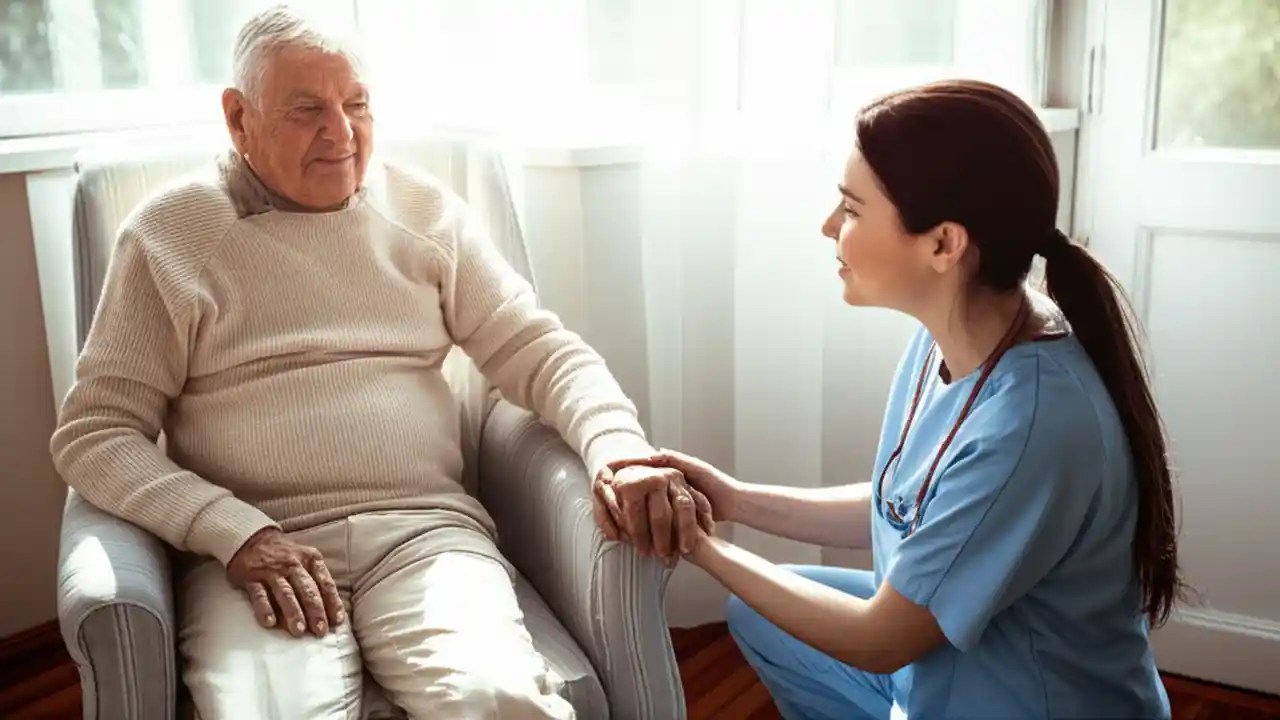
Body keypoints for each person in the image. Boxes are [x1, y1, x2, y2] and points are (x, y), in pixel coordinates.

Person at [50, 5, 702, 719]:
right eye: (307, 112)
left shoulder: (423, 213)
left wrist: (621, 449)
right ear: (239, 119)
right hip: (256, 556)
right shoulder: (168, 235)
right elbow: (96, 434)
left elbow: (541, 350)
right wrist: (233, 532)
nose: (341, 134)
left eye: (356, 105)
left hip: (426, 534)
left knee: (502, 702)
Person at [599, 80, 1181, 719]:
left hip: (1030, 705)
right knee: (762, 618)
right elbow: (902, 505)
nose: (828, 227)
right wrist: (734, 499)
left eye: (850, 209)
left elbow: (881, 641)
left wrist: (696, 543)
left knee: (795, 614)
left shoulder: (1030, 423)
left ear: (943, 244)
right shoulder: (961, 335)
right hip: (947, 679)